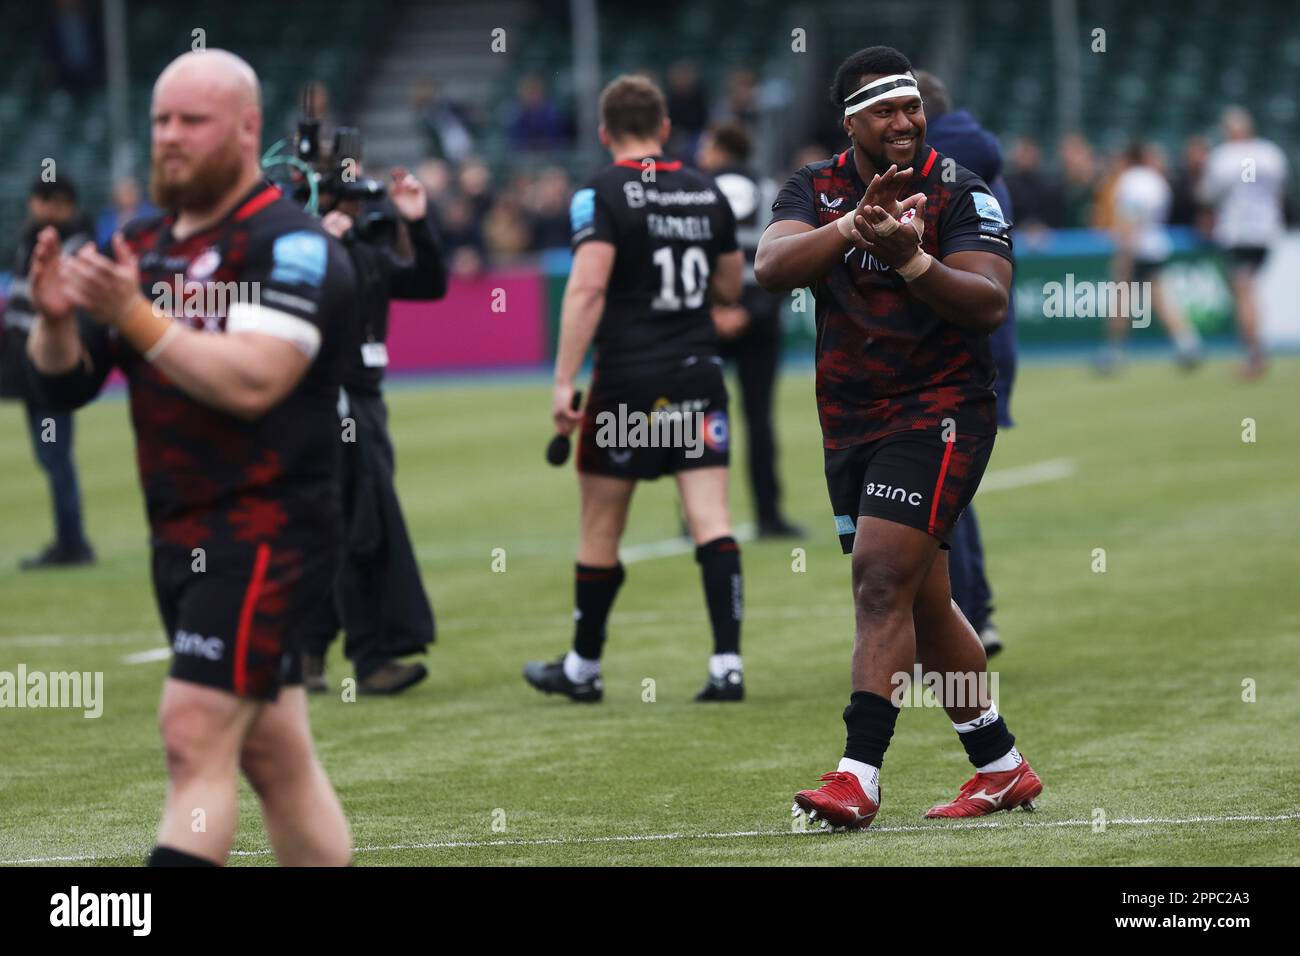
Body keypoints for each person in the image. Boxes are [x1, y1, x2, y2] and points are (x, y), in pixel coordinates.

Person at [26, 49, 353, 866]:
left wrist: (132, 314)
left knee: (191, 731)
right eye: (161, 121)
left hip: (271, 531)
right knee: (277, 758)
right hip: (180, 537)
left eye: (191, 122)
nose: (170, 138)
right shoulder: (138, 241)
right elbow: (62, 387)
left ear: (246, 129)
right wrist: (60, 319)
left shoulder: (292, 244)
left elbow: (255, 381)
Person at [755, 46, 1042, 829]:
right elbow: (771, 268)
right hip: (850, 417)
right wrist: (851, 226)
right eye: (886, 110)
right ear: (851, 121)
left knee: (880, 580)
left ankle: (858, 775)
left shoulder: (959, 189)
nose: (906, 122)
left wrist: (911, 258)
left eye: (912, 107)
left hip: (942, 410)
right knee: (923, 602)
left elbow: (986, 303)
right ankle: (1001, 766)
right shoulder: (813, 188)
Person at [523, 74, 747, 703]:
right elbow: (731, 287)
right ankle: (727, 665)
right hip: (697, 374)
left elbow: (589, 286)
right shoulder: (705, 191)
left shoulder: (598, 191)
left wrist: (565, 380)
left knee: (601, 527)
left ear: (604, 132)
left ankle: (584, 668)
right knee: (712, 519)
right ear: (666, 128)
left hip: (626, 382)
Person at [303, 159, 448, 696]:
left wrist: (417, 223)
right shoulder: (301, 254)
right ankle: (369, 656)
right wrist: (316, 245)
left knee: (341, 520)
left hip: (365, 401)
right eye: (345, 202)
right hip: (326, 401)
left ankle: (307, 652)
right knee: (359, 521)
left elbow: (430, 284)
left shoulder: (365, 254)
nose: (357, 212)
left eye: (361, 201)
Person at [913, 69, 1017, 655]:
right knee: (948, 492)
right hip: (991, 340)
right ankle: (975, 615)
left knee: (935, 496)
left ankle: (966, 619)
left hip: (950, 350)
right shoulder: (983, 166)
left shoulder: (938, 171)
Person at [696, 121, 804, 538]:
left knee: (700, 418)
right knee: (759, 419)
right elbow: (789, 255)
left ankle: (697, 518)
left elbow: (689, 254)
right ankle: (769, 515)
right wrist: (752, 311)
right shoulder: (771, 189)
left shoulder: (694, 189)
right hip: (760, 317)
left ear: (721, 149)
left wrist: (712, 310)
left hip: (707, 317)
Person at [0, 176, 97, 569]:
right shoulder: (32, 241)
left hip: (51, 369)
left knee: (55, 456)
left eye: (44, 202)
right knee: (50, 456)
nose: (36, 209)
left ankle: (73, 543)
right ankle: (70, 540)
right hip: (27, 369)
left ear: (62, 204)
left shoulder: (71, 246)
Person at [1200, 106, 1290, 379]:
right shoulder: (1271, 153)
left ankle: (1255, 357)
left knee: (1243, 291)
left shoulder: (1224, 157)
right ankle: (1256, 352)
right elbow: (1281, 191)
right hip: (1265, 232)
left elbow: (1207, 195)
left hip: (1238, 233)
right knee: (1248, 289)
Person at [1102, 142, 1203, 372]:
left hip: (1136, 247)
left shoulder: (1131, 180)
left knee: (1121, 299)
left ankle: (1114, 352)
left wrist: (1125, 252)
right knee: (1159, 299)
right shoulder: (1157, 180)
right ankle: (1187, 343)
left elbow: (1130, 216)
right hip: (1155, 244)